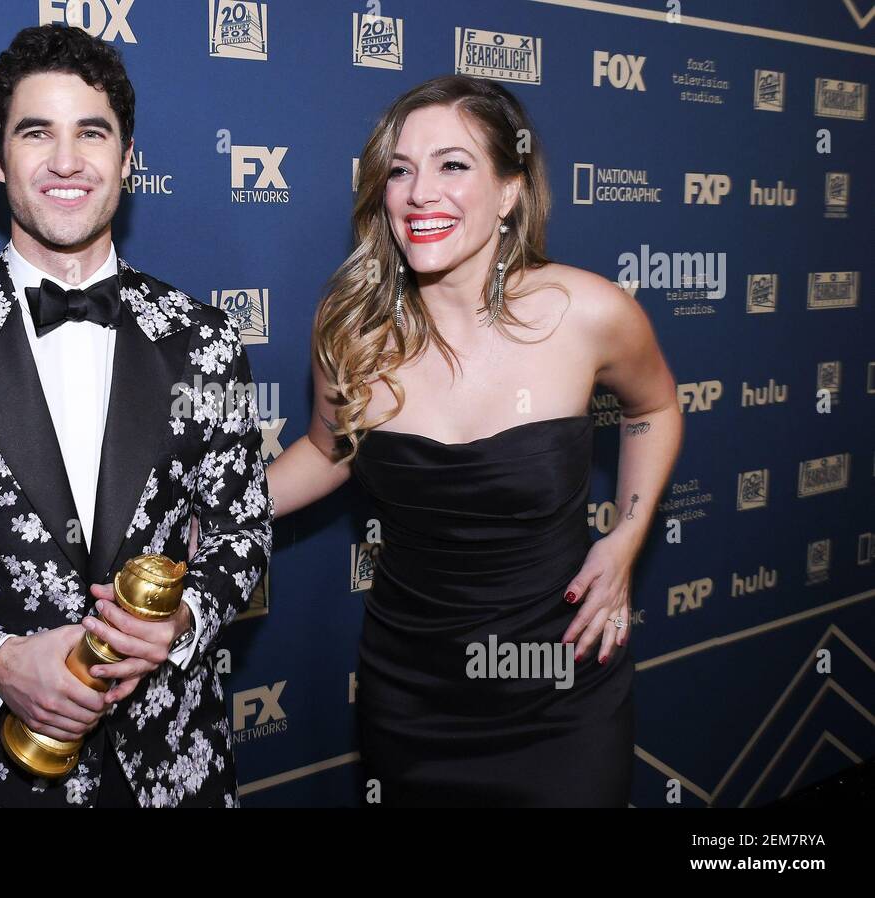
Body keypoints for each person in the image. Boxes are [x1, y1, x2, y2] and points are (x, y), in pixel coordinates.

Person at [0, 24, 271, 808]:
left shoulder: (204, 341)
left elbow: (243, 530)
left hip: (174, 769)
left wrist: (187, 619)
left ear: (128, 159)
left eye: (91, 133)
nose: (66, 161)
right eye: (38, 133)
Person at [264, 75, 682, 806]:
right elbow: (329, 452)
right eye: (401, 169)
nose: (420, 191)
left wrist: (625, 538)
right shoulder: (353, 327)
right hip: (411, 688)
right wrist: (210, 512)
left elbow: (656, 408)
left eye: (453, 165)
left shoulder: (586, 312)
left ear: (510, 191)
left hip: (558, 685)